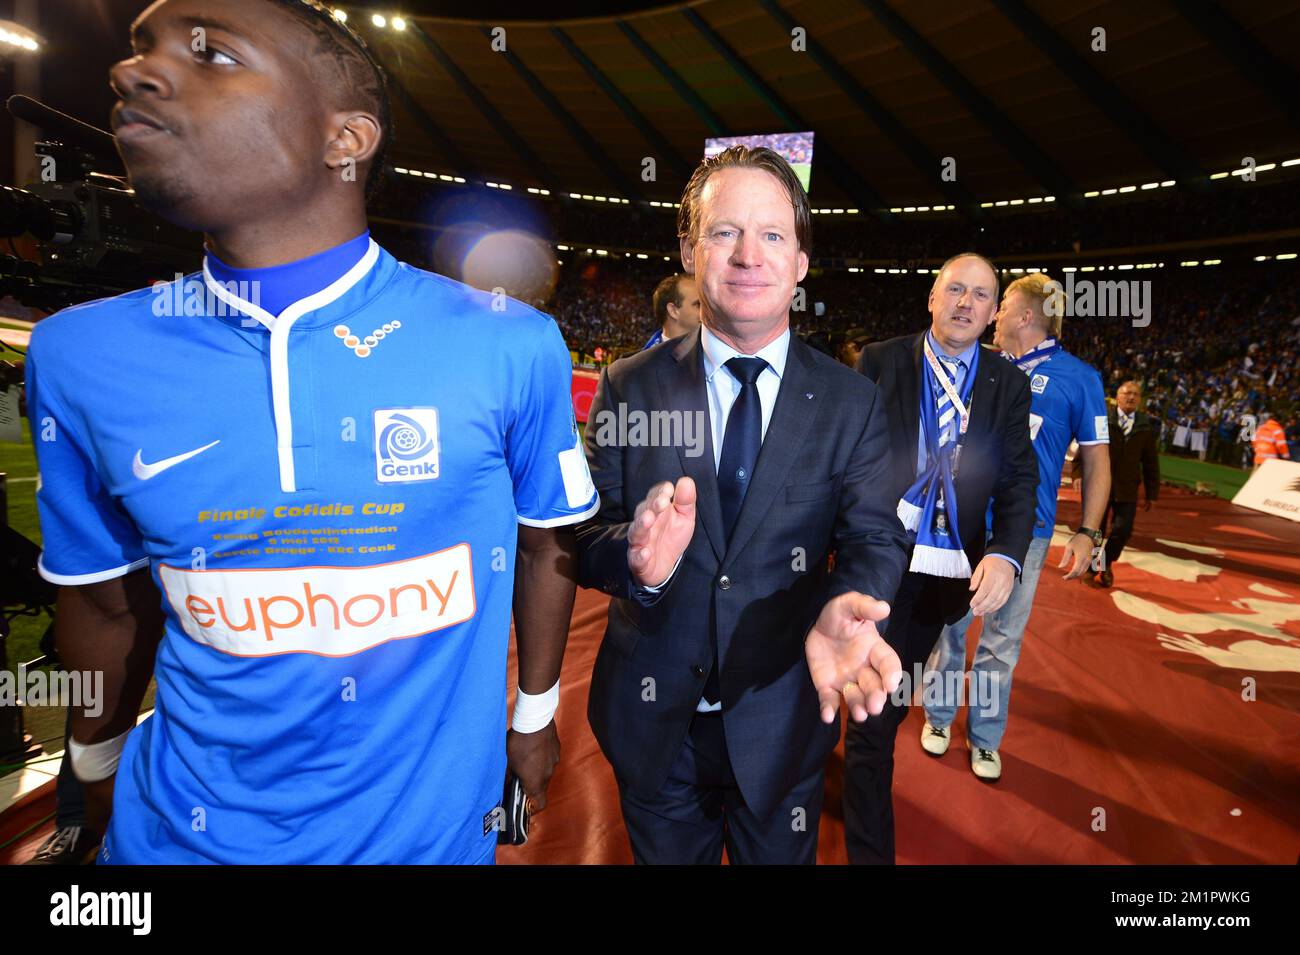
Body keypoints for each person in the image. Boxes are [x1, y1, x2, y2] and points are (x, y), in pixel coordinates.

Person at [25, 0, 597, 864]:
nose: (133, 70)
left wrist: (533, 717)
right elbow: (106, 601)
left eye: (211, 54)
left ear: (346, 138)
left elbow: (547, 541)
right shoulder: (77, 352)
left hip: (427, 840)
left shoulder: (508, 341)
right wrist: (91, 767)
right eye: (143, 47)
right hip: (168, 840)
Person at [576, 145, 910, 864]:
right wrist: (634, 558)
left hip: (784, 723)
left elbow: (875, 538)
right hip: (653, 727)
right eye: (725, 232)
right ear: (692, 250)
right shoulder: (630, 386)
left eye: (772, 235)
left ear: (800, 261)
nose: (747, 254)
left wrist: (851, 597)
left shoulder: (851, 401)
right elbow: (584, 535)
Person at [844, 252, 1038, 864]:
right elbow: (843, 459)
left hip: (944, 576)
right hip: (874, 560)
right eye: (955, 289)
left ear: (992, 312)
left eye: (981, 296)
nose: (965, 303)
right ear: (931, 298)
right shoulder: (879, 361)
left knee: (892, 702)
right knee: (871, 723)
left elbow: (1018, 482)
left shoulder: (1007, 384)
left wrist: (1007, 553)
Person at [919, 273, 1111, 782]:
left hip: (1026, 530)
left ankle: (985, 737)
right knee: (949, 628)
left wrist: (1089, 531)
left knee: (1001, 642)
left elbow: (1096, 460)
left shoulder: (1080, 379)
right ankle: (938, 716)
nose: (994, 314)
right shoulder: (975, 362)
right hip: (960, 522)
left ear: (1027, 316)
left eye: (1002, 304)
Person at [1097, 380, 1159, 588]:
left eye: (1135, 394)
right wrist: (1079, 473)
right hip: (1101, 485)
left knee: (1123, 530)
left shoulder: (1145, 426)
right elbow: (1088, 447)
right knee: (1095, 530)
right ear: (1118, 396)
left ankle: (1104, 564)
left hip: (1127, 488)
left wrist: (1152, 493)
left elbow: (1150, 461)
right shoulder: (1104, 419)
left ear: (1140, 400)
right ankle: (1091, 566)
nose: (1131, 397)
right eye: (1127, 393)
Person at [643, 273, 702, 349]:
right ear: (673, 311)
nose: (707, 311)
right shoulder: (645, 360)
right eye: (698, 305)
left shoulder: (716, 353)